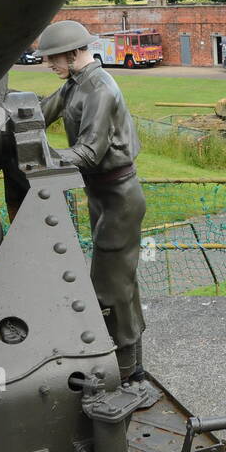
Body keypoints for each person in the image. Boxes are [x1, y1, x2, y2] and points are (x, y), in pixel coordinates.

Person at [29, 20, 152, 393]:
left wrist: (41, 156)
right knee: (122, 282)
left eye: (52, 58)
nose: (48, 64)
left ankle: (127, 370)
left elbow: (89, 152)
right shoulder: (75, 84)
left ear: (72, 53)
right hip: (102, 195)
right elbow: (38, 111)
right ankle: (134, 368)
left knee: (110, 288)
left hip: (119, 198)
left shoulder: (99, 89)